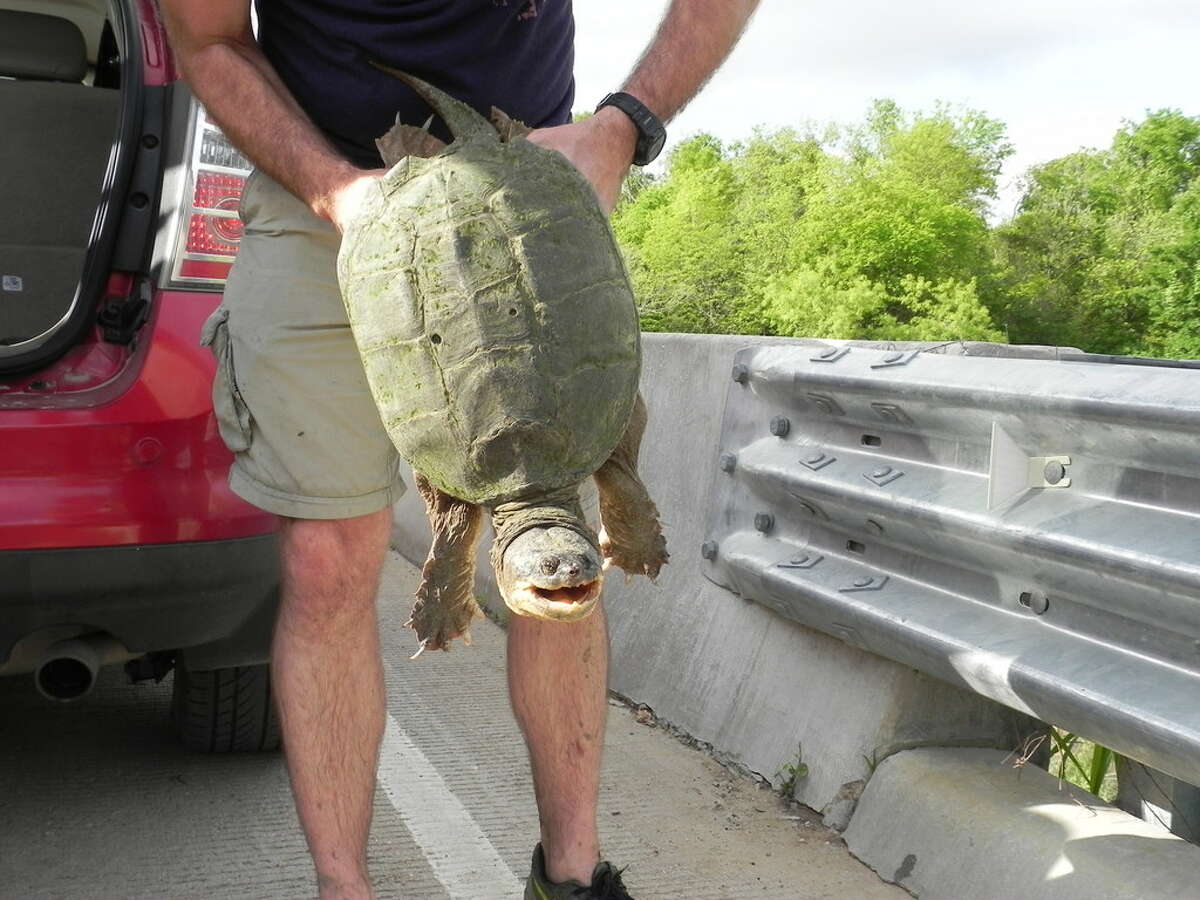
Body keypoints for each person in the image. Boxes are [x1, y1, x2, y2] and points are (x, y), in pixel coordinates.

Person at [161, 2, 760, 897]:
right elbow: (209, 38)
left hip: (521, 192)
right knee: (328, 556)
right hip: (322, 191)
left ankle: (572, 874)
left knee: (548, 530)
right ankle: (344, 886)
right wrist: (336, 189)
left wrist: (622, 128)